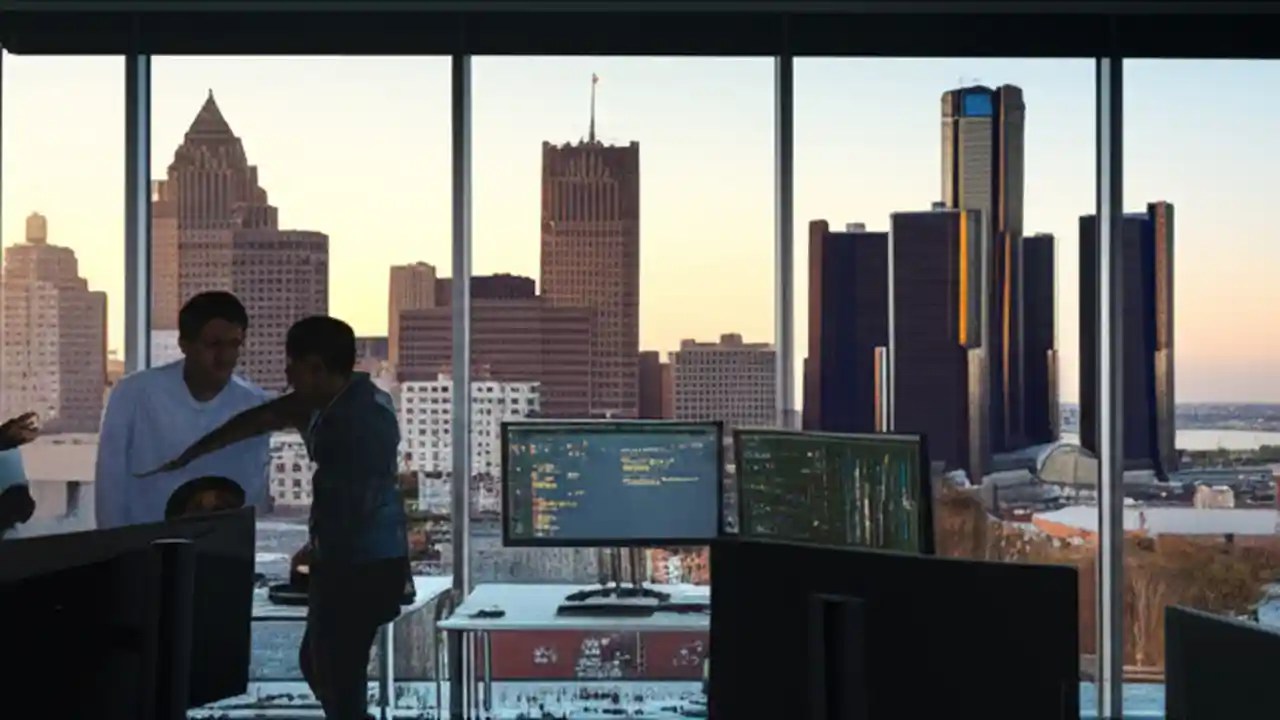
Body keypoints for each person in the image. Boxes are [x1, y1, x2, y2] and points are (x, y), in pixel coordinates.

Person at [144, 315, 408, 720]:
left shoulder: (362, 422)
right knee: (321, 666)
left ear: (317, 368)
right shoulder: (330, 400)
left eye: (292, 367)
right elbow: (262, 419)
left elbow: (360, 501)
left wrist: (318, 549)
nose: (286, 376)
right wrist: (188, 456)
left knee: (337, 672)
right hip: (347, 563)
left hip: (362, 568)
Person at [94, 292, 271, 530]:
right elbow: (110, 485)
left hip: (221, 549)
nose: (225, 356)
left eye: (234, 344)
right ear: (184, 344)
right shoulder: (134, 393)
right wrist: (115, 552)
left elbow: (253, 493)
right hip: (143, 551)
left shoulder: (254, 403)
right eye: (214, 344)